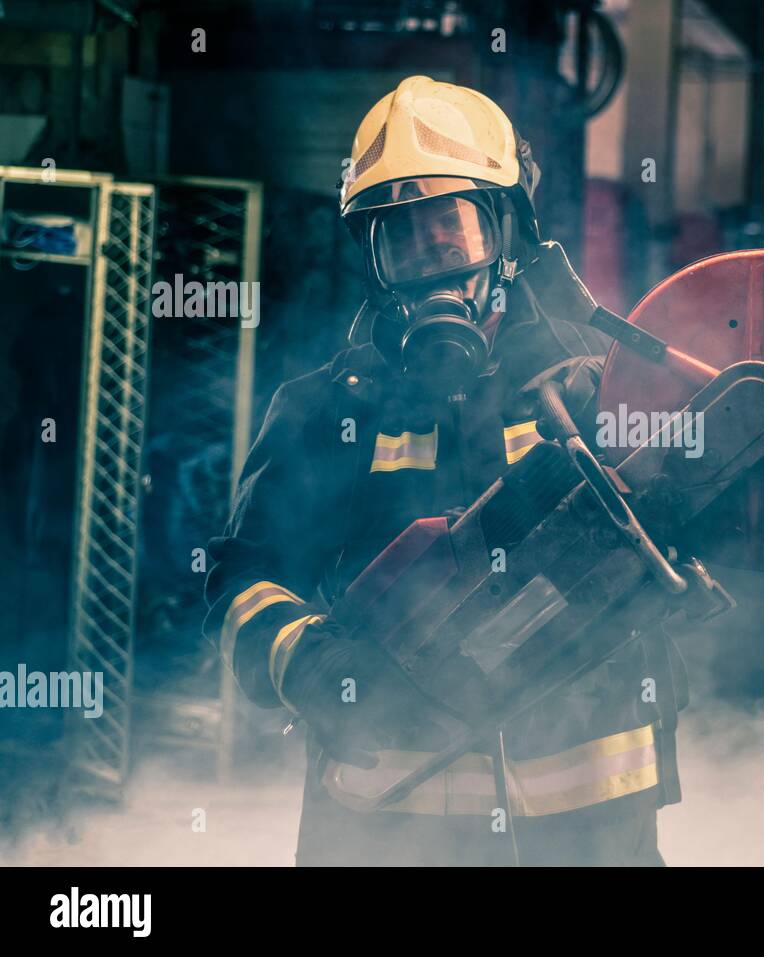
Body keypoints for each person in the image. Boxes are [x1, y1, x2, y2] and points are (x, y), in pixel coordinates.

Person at [204, 77, 685, 866]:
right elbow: (239, 579)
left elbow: (701, 507)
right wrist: (306, 658)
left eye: (452, 235)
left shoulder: (597, 378)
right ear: (375, 262)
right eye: (404, 241)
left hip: (591, 830)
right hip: (382, 832)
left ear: (509, 232)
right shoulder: (323, 411)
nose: (434, 267)